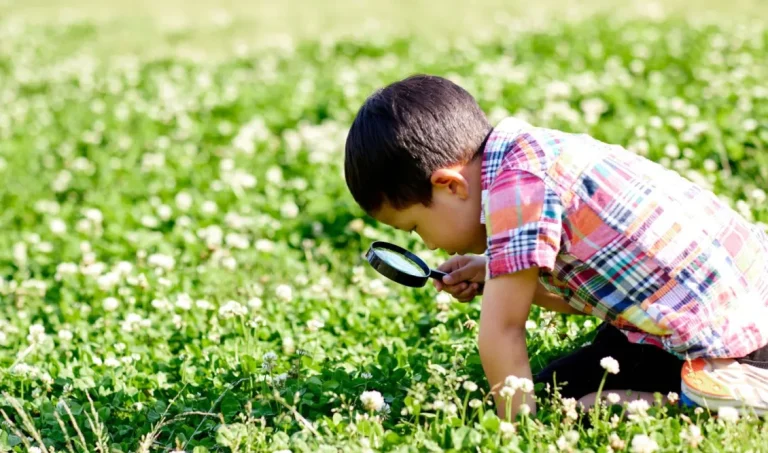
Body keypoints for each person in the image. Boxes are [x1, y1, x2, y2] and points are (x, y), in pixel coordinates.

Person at [343, 74, 768, 419]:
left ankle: (725, 391)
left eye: (417, 227)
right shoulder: (524, 154)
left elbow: (501, 334)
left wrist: (517, 433)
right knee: (562, 382)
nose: (429, 243)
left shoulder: (516, 190)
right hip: (745, 293)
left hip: (728, 335)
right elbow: (595, 295)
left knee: (569, 403)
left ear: (450, 185)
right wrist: (495, 274)